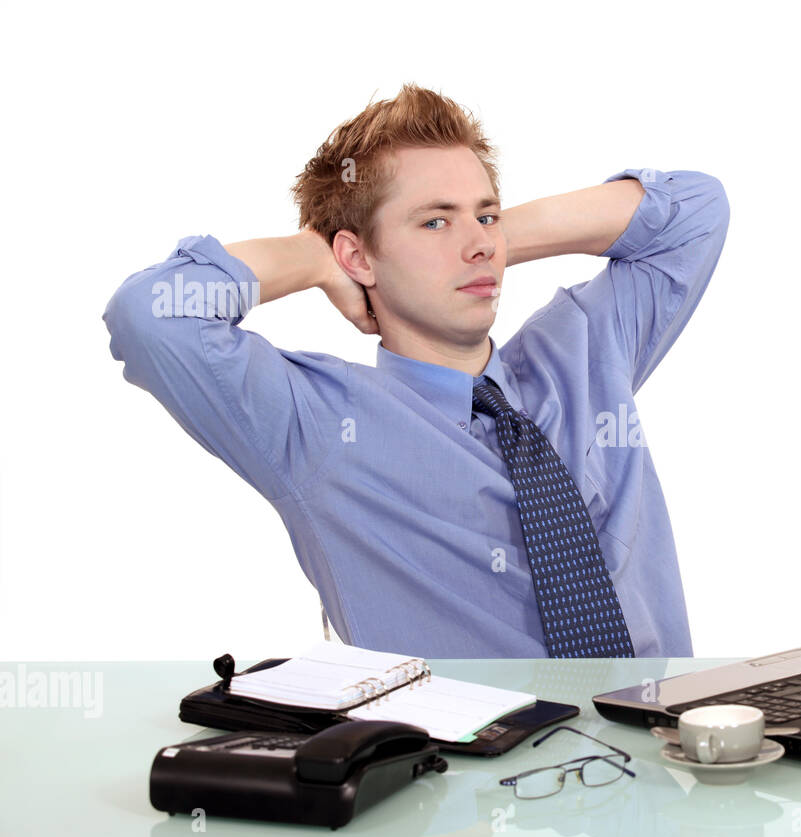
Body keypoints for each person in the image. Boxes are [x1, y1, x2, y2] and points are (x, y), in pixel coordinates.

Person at [102, 83, 729, 658]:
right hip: (475, 773)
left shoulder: (583, 352)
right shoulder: (317, 424)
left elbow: (697, 210)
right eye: (433, 220)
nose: (479, 243)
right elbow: (149, 315)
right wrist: (317, 259)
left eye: (486, 215)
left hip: (672, 753)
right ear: (357, 255)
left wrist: (487, 235)